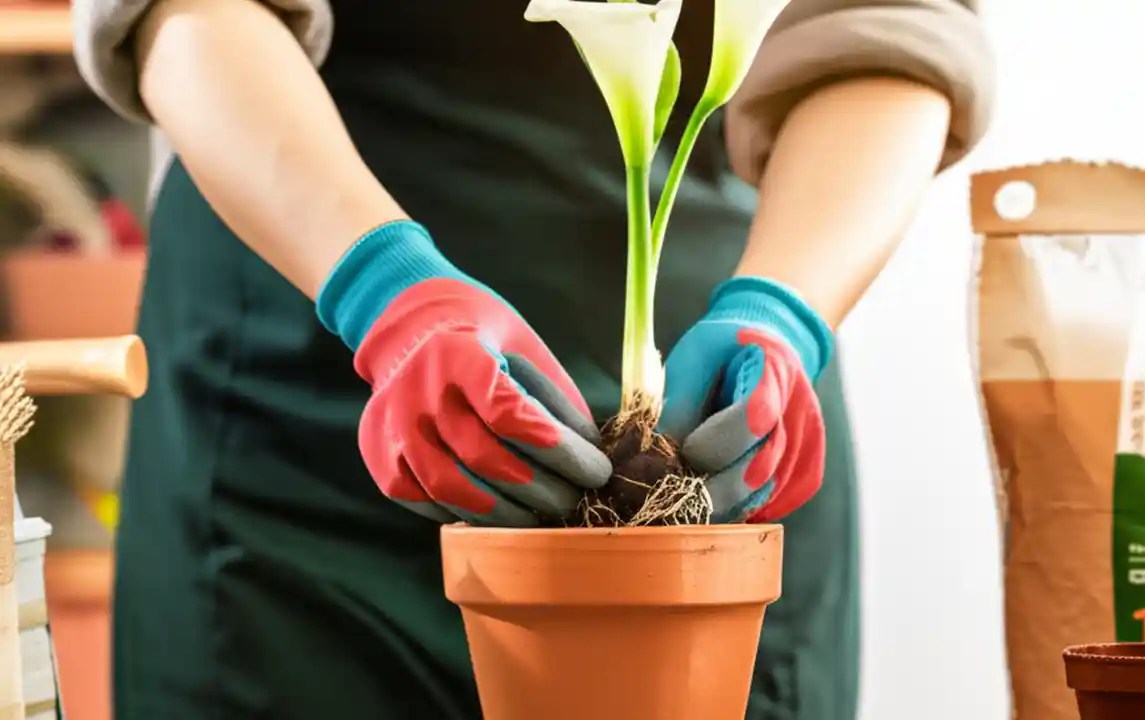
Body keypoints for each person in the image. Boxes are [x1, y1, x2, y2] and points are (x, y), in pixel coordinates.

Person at [73, 0, 993, 717]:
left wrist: (786, 309)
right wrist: (382, 289)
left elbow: (889, 32)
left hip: (709, 438)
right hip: (301, 401)